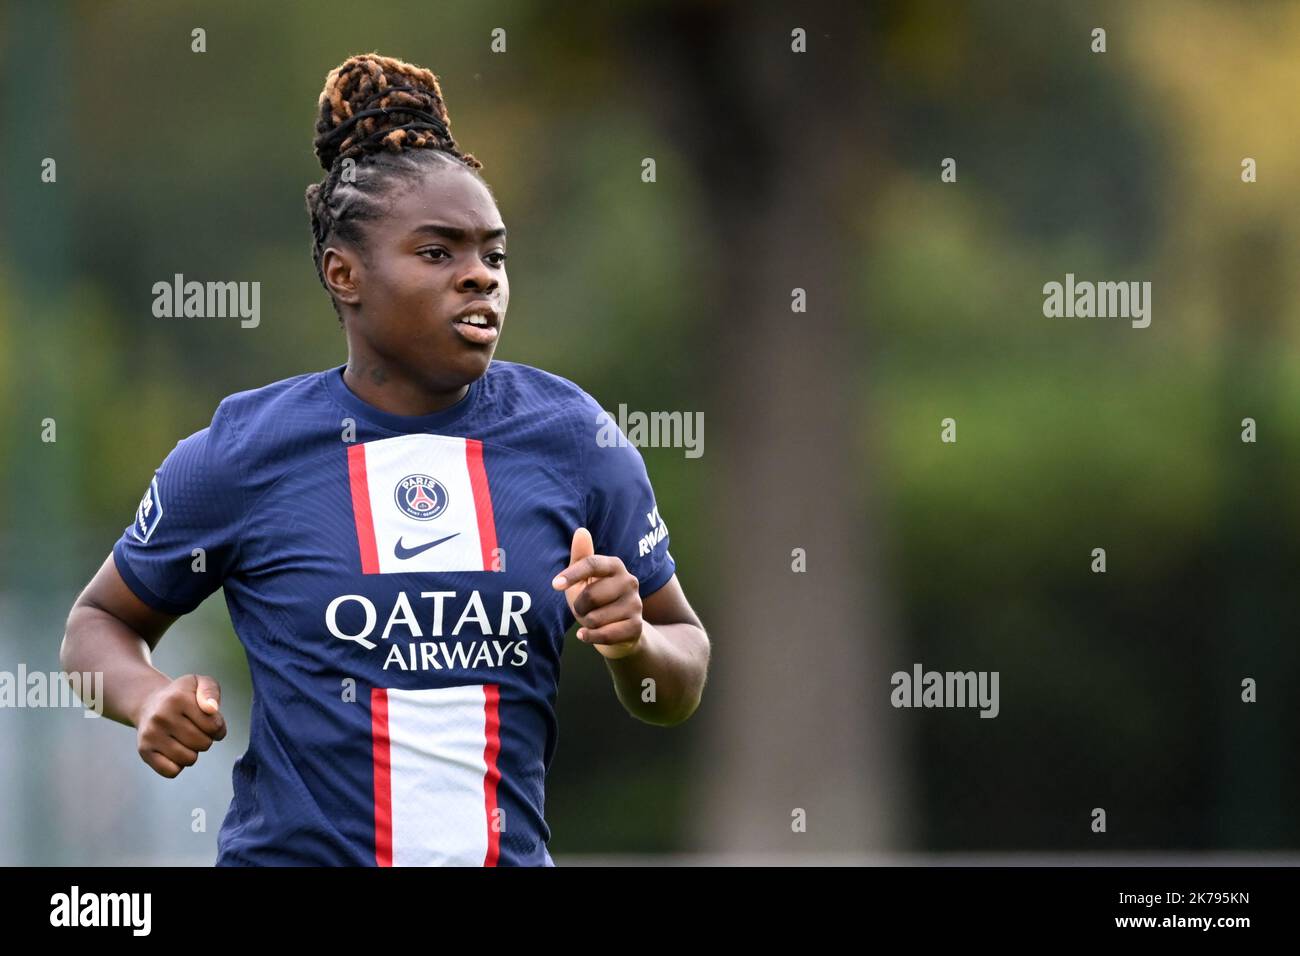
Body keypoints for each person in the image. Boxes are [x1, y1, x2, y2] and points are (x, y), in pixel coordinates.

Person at [60, 52, 711, 866]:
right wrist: (145, 696)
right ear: (344, 276)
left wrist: (632, 645)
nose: (479, 277)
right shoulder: (242, 452)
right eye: (439, 253)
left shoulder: (574, 436)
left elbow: (680, 672)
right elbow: (96, 626)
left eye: (494, 256)